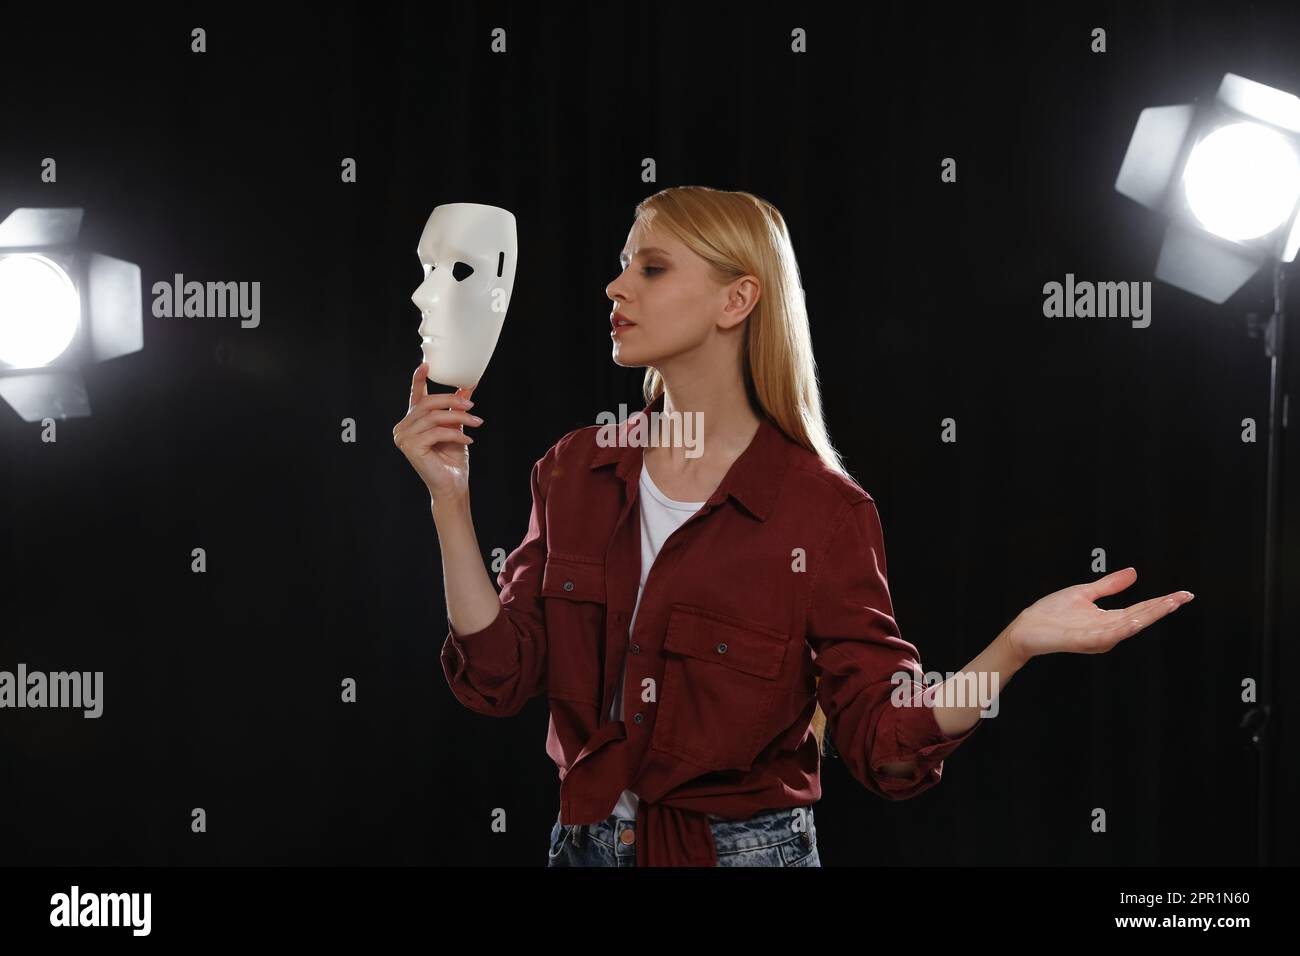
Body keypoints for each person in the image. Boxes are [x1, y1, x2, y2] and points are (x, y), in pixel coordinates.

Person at [393, 185, 1194, 867]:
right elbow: (498, 678)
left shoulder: (823, 512)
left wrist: (1012, 647)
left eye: (651, 267)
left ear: (737, 299)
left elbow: (881, 737)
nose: (614, 287)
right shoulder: (575, 469)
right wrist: (449, 502)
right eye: (623, 264)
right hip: (583, 843)